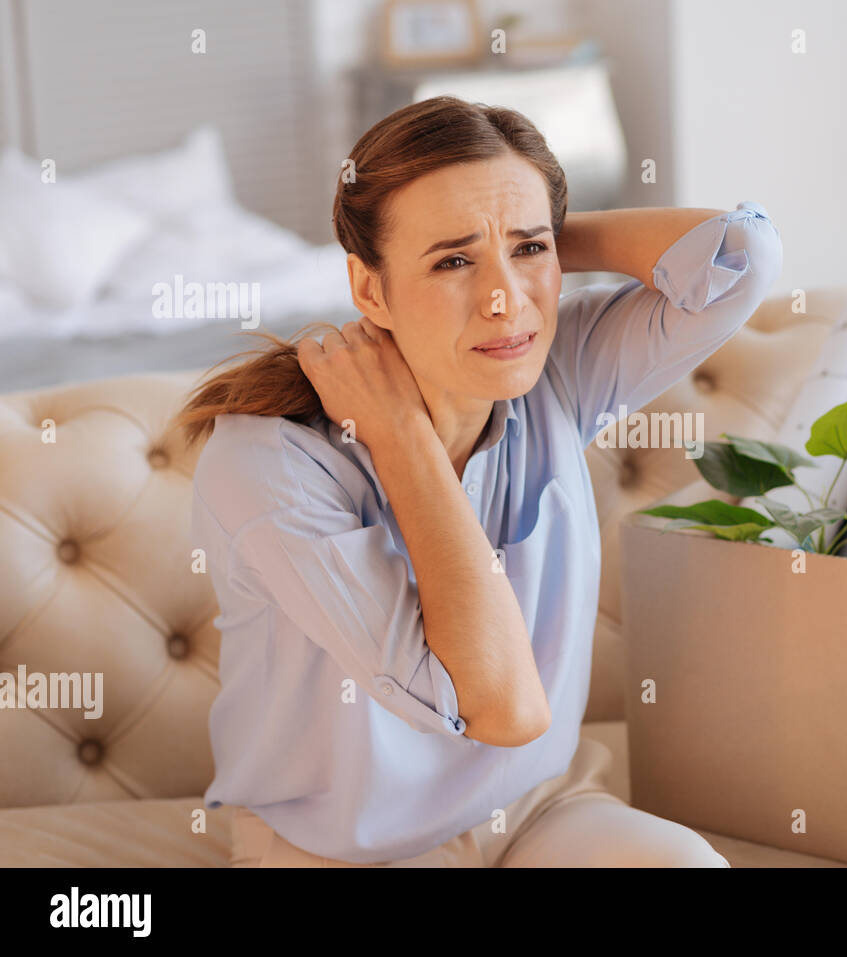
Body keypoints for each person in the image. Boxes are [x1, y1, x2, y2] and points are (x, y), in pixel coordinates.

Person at [173, 95, 782, 866]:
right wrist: (400, 435)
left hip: (528, 810)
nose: (504, 300)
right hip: (343, 849)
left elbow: (739, 260)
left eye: (530, 252)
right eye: (453, 260)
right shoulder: (270, 464)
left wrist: (530, 233)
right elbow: (501, 705)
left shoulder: (555, 373)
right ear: (370, 290)